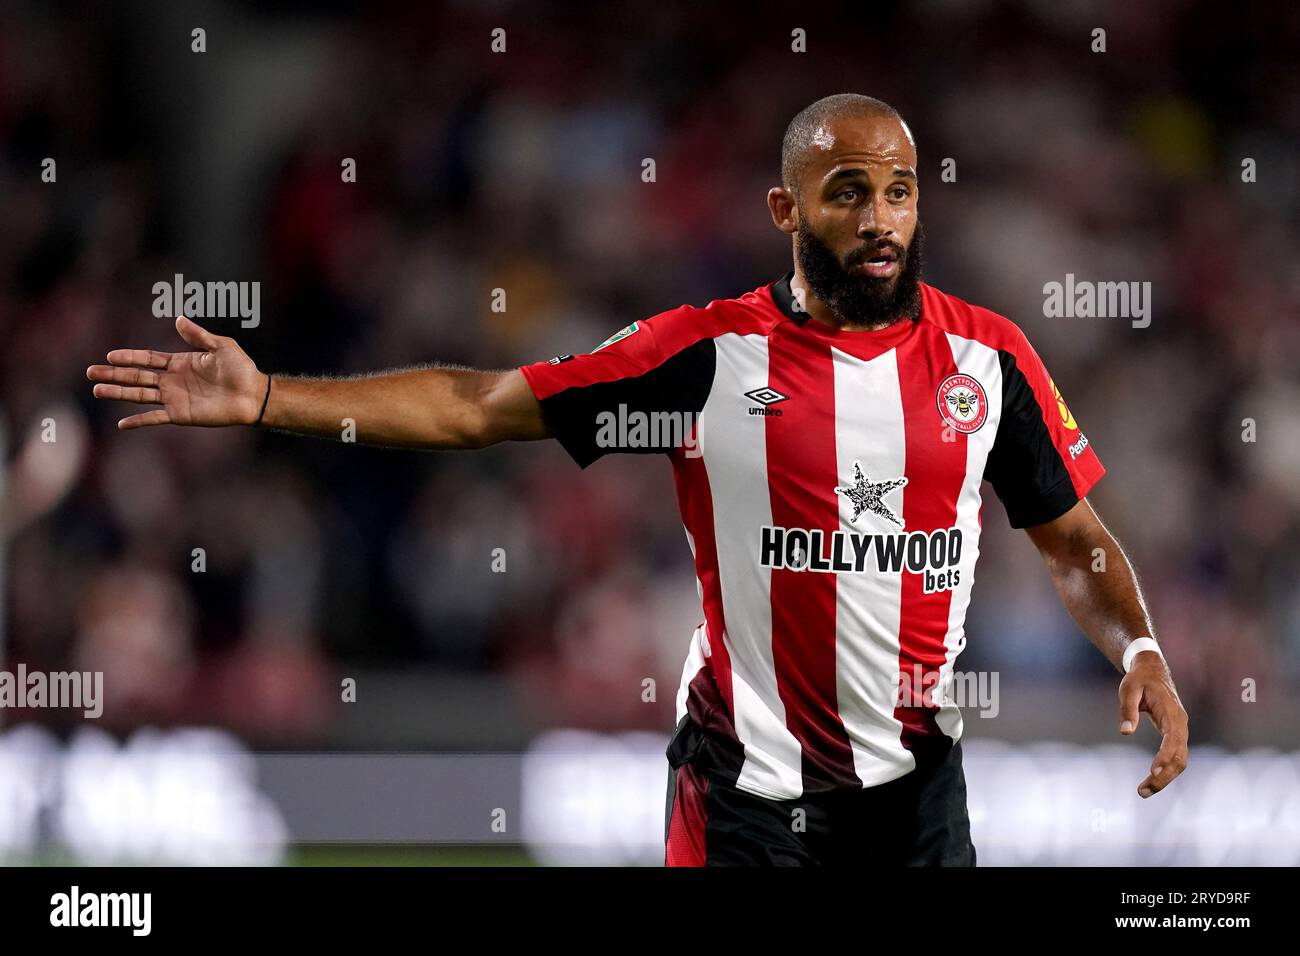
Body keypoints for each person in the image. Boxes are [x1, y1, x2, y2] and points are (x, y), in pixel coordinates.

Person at [87, 93, 1189, 866]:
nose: (878, 218)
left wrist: (1139, 646)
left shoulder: (985, 361)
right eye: (847, 190)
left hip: (916, 807)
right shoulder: (708, 356)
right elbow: (482, 406)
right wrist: (272, 395)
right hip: (746, 806)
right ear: (785, 209)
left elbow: (1071, 536)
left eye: (898, 191)